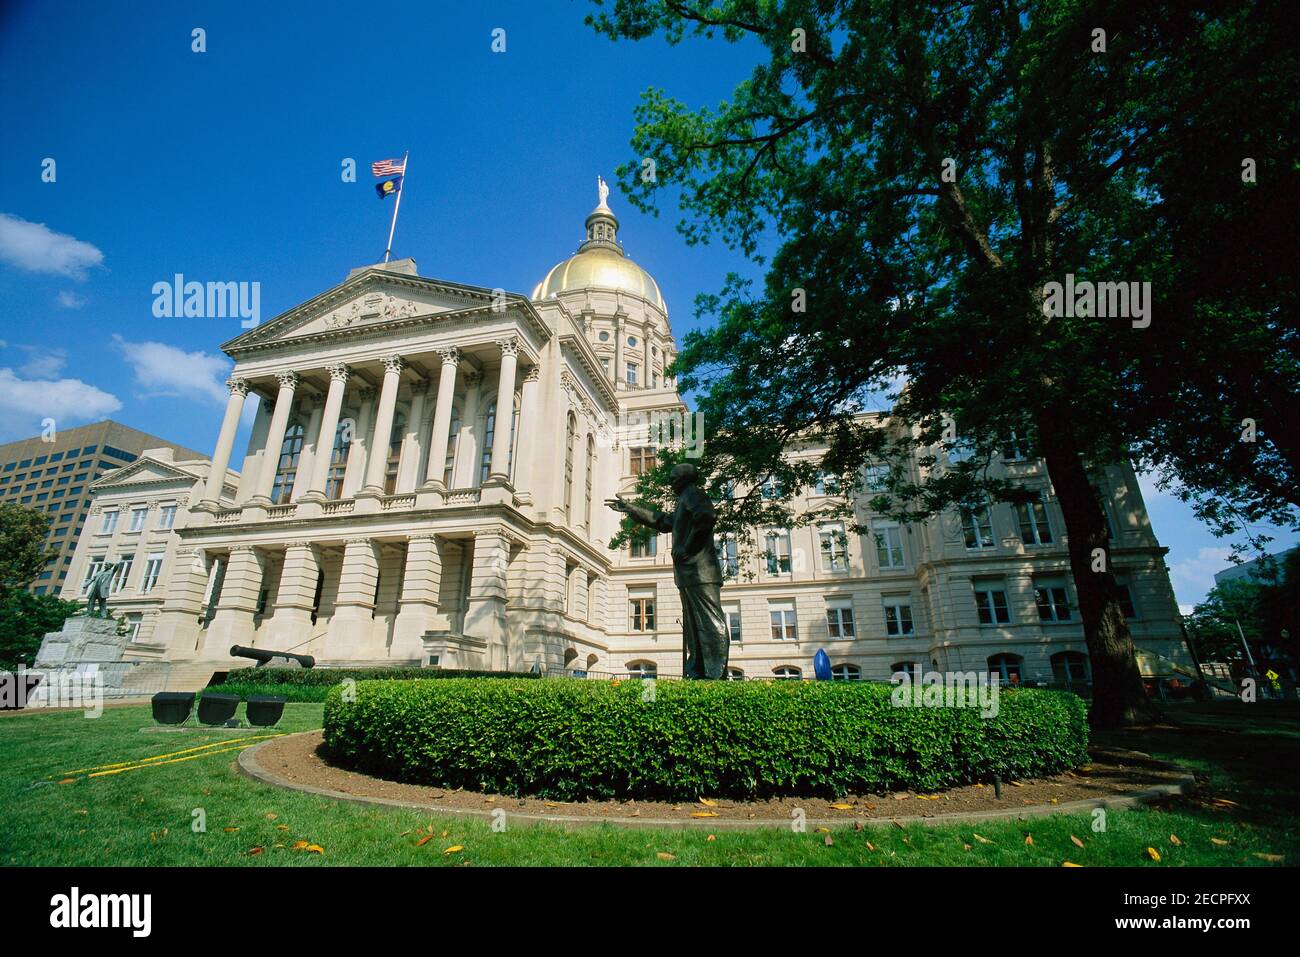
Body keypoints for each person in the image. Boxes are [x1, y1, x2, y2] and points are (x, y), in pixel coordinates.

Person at [606, 463, 729, 678]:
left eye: (673, 477)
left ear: (685, 478)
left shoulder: (693, 495)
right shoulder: (684, 500)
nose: (670, 481)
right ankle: (698, 671)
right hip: (689, 574)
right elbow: (663, 521)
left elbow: (707, 517)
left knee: (710, 622)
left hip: (701, 572)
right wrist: (632, 509)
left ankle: (714, 674)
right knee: (693, 625)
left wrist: (687, 548)